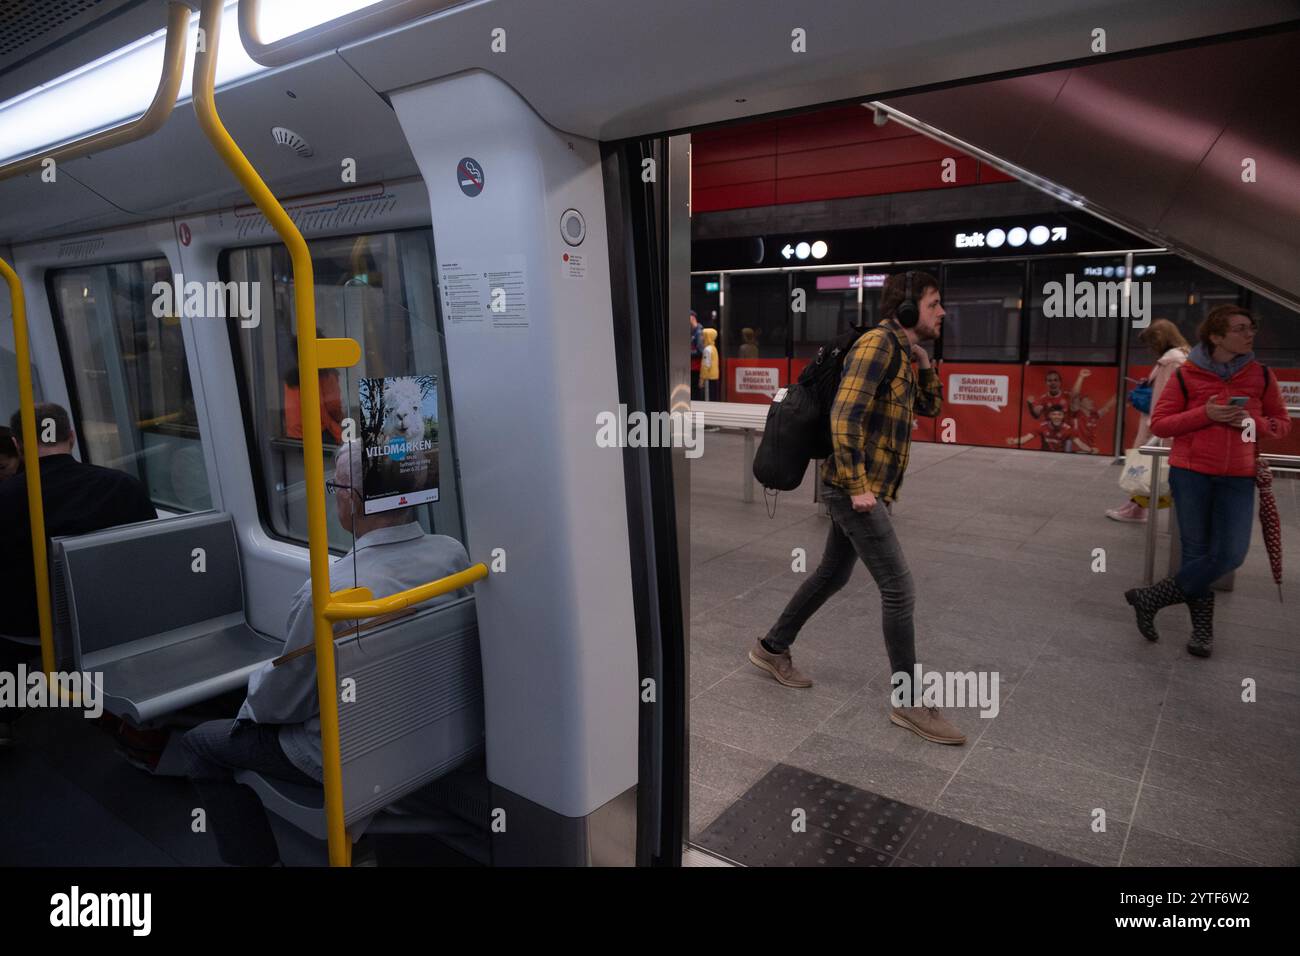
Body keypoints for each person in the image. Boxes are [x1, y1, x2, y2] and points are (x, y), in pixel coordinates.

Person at [181, 440, 470, 865]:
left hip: (341, 754)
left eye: (336, 487)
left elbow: (282, 702)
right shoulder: (452, 555)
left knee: (200, 744)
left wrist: (251, 698)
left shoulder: (329, 595)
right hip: (430, 730)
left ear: (351, 501)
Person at [750, 271, 965, 746]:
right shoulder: (877, 346)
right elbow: (843, 414)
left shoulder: (903, 352)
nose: (941, 312)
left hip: (865, 487)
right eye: (934, 304)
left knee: (832, 573)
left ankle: (772, 647)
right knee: (899, 589)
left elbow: (929, 408)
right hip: (854, 489)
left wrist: (925, 362)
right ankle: (909, 702)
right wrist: (857, 485)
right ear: (908, 310)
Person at [1124, 306, 1290, 658]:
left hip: (1238, 478)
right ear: (1216, 336)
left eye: (1251, 327)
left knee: (1230, 553)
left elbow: (1280, 424)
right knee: (1196, 554)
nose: (1249, 334)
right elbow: (1161, 424)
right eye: (1240, 329)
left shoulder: (1261, 376)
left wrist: (1251, 422)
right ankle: (1202, 633)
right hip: (1191, 473)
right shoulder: (1187, 374)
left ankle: (1150, 598)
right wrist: (1206, 414)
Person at [0, 404, 156, 748]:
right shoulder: (124, 487)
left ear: (18, 444)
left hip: (23, 631)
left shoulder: (5, 499)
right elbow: (149, 562)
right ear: (71, 437)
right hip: (105, 623)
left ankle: (7, 712)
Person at [1106, 320, 1190, 521]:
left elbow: (1163, 396)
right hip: (1169, 423)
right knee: (1147, 466)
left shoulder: (1170, 361)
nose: (1150, 349)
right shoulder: (1183, 356)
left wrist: (1156, 426)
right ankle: (1135, 506)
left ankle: (1136, 509)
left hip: (1158, 424)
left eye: (1151, 343)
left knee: (1144, 466)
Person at [1067, 369, 1115, 454]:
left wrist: (1122, 389)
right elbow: (1074, 395)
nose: (1092, 401)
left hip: (1092, 451)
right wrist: (1081, 377)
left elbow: (1107, 406)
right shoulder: (1076, 413)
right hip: (1077, 451)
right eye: (1088, 400)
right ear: (1080, 403)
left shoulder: (1094, 415)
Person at [1007, 406, 1076, 452]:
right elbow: (1025, 439)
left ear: (1063, 416)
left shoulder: (1068, 429)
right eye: (1054, 414)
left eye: (1059, 414)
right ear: (1049, 416)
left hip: (1062, 456)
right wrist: (1014, 441)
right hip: (1045, 454)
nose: (1056, 417)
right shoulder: (1042, 426)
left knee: (1069, 443)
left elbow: (1079, 443)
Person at [700, 327, 720, 401]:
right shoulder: (713, 348)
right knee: (713, 397)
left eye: (703, 335)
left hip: (708, 378)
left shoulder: (707, 350)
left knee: (708, 399)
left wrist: (702, 379)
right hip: (714, 377)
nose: (701, 338)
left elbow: (706, 365)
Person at [689, 310, 704, 401]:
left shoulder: (698, 332)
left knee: (695, 389)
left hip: (696, 367)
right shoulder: (693, 331)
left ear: (693, 318)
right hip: (692, 366)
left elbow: (700, 351)